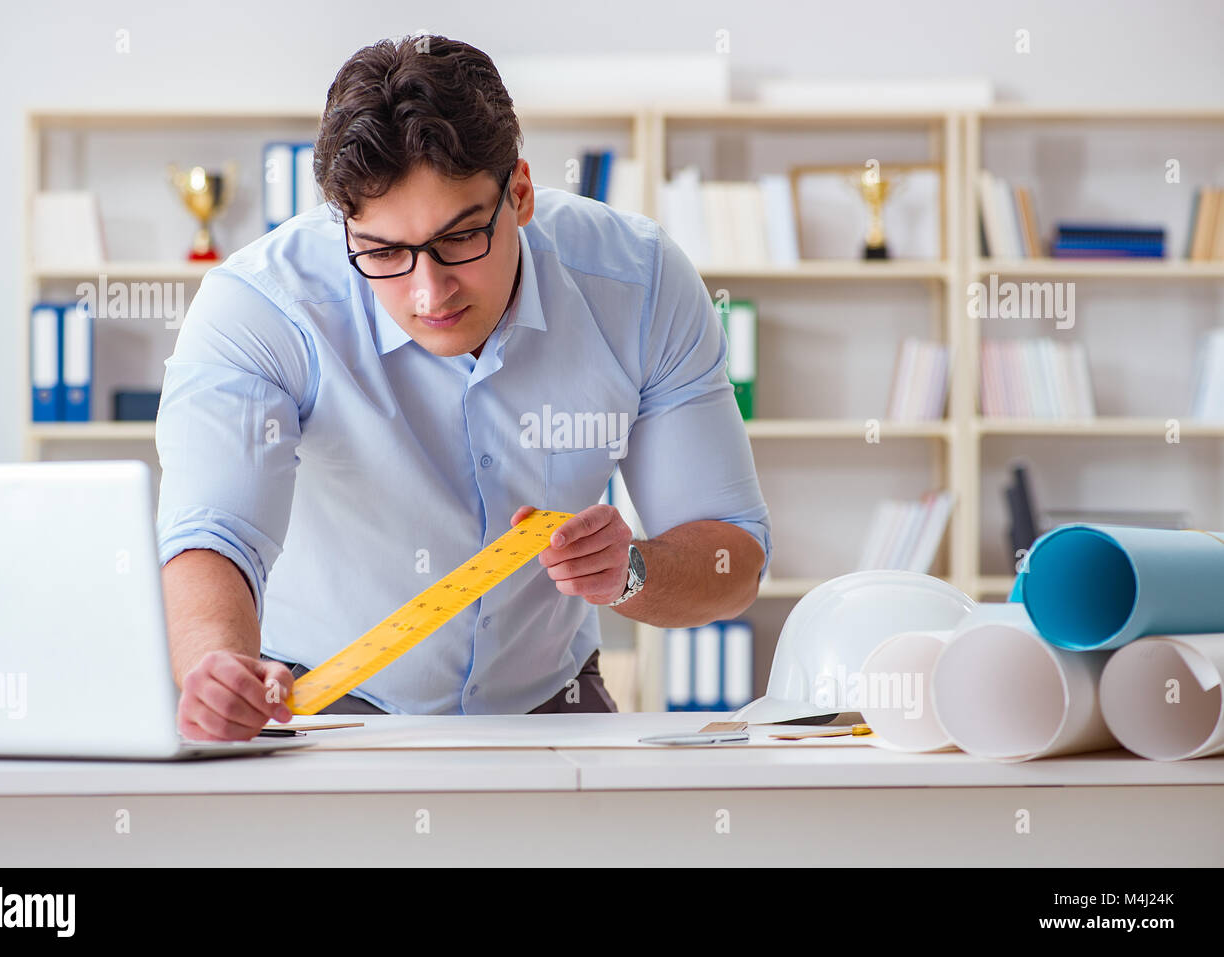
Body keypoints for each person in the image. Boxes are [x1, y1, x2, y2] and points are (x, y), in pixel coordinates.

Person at [157, 34, 771, 741]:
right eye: (384, 252)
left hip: (554, 701)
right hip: (327, 707)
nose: (429, 292)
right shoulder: (261, 307)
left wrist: (631, 571)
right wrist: (219, 667)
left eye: (459, 239)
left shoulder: (639, 282)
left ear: (520, 192)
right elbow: (214, 534)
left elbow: (734, 559)